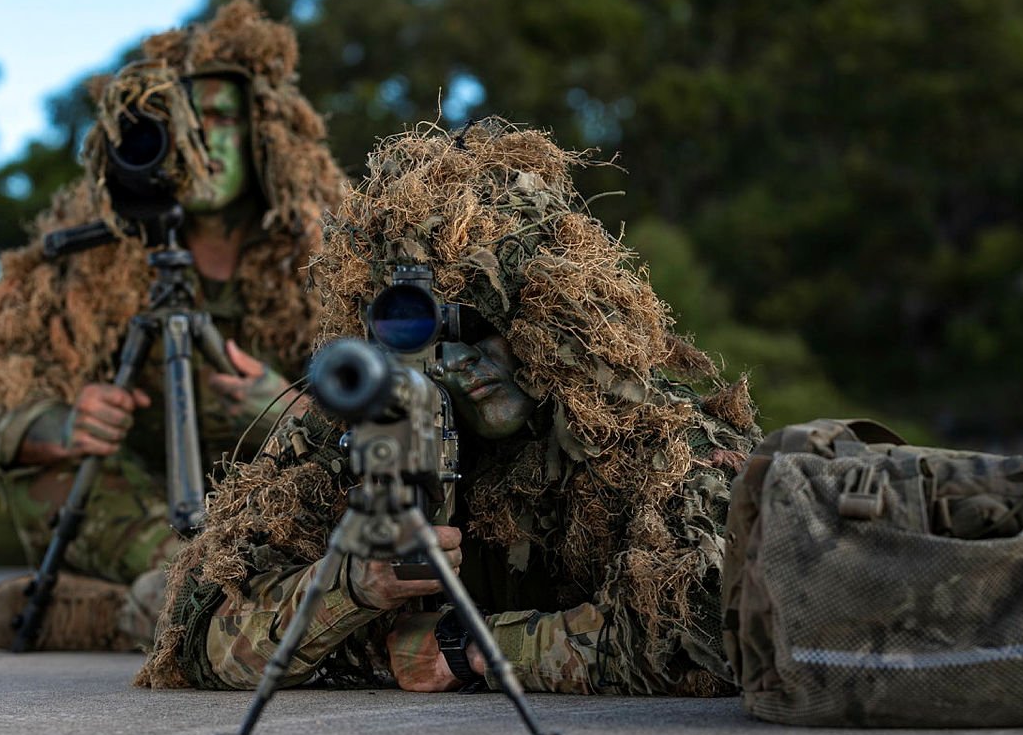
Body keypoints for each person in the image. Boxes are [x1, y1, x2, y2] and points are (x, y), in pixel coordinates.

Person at [136, 119, 761, 695]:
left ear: (552, 317)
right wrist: (351, 588)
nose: (455, 360)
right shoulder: (359, 428)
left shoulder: (641, 432)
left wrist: (473, 651)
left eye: (480, 323)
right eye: (423, 334)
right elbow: (201, 636)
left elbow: (710, 631)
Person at [0, 0, 344, 651]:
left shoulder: (321, 258)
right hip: (131, 510)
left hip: (270, 508)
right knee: (50, 470)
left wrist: (291, 412)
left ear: (266, 138)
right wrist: (57, 426)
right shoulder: (87, 261)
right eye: (180, 122)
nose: (201, 139)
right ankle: (207, 597)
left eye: (221, 119)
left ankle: (123, 615)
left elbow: (399, 408)